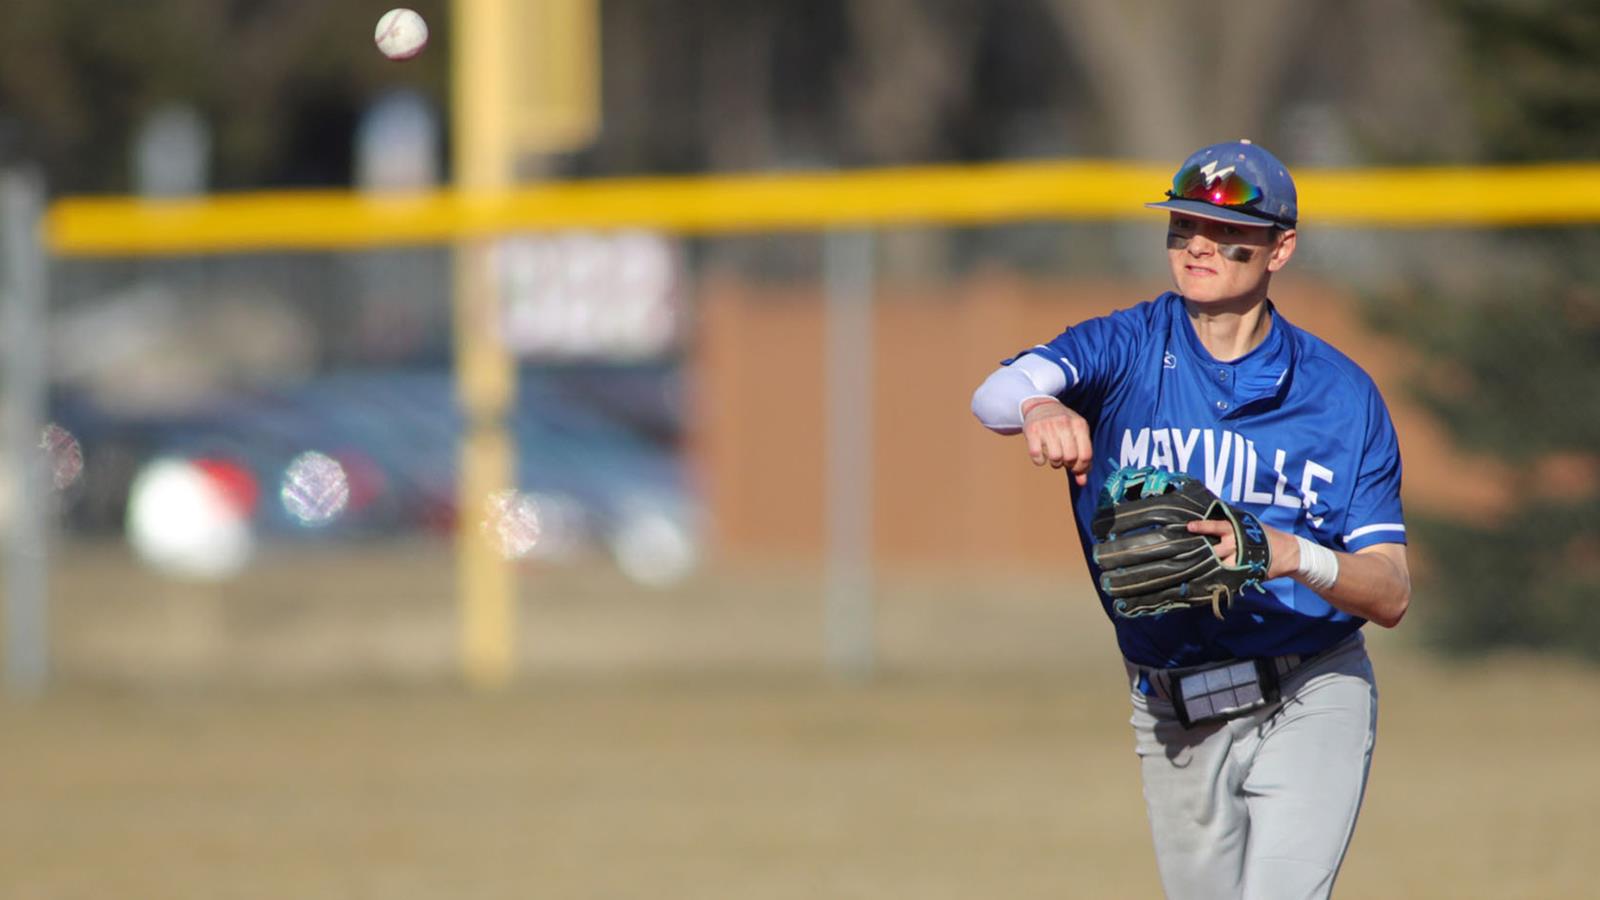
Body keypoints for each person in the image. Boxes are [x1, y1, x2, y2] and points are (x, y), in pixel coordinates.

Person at [970, 140, 1410, 900]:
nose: (1199, 244)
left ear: (1280, 248)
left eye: (1226, 230)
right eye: (1183, 226)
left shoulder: (1340, 397)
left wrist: (1290, 553)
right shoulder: (1125, 347)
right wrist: (1040, 406)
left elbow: (1392, 592)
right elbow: (994, 394)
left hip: (1309, 687)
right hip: (1173, 709)